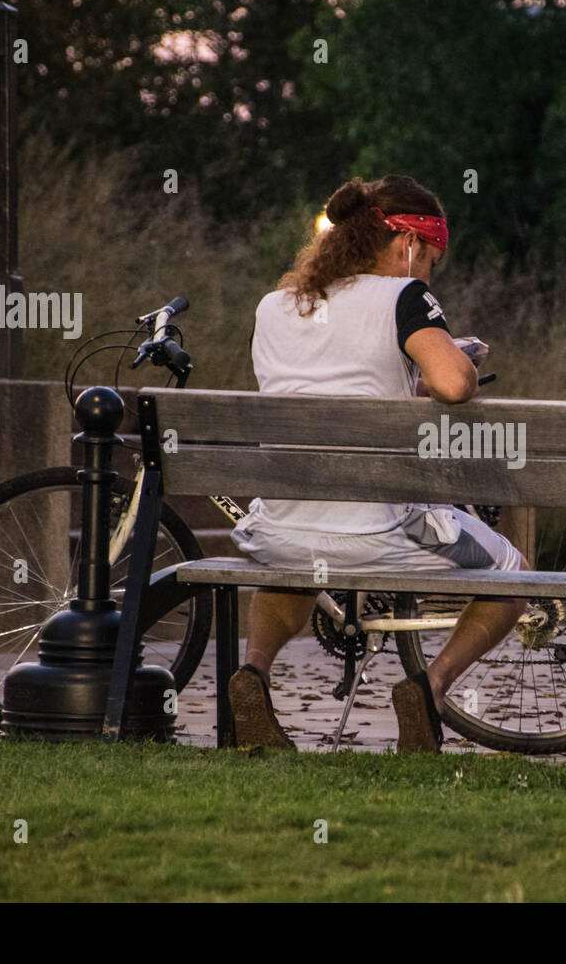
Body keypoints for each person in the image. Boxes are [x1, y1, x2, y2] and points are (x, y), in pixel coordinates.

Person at [227, 174, 532, 753]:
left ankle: (255, 674)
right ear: (408, 244)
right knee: (514, 573)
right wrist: (455, 359)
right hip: (378, 528)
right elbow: (453, 384)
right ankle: (430, 688)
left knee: (298, 552)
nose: (427, 273)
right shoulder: (405, 298)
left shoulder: (274, 306)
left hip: (282, 525)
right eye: (431, 261)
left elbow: (325, 387)